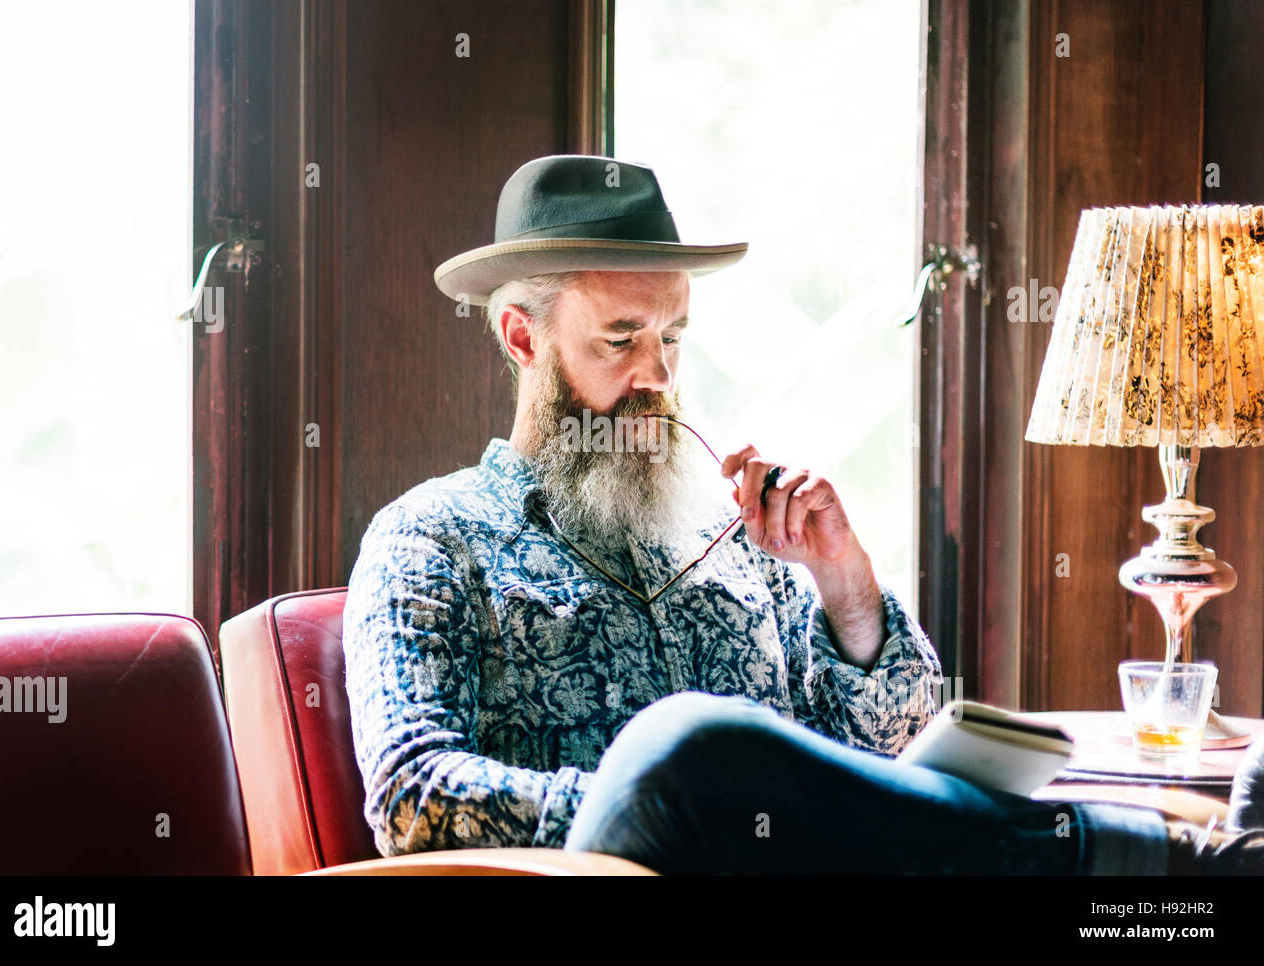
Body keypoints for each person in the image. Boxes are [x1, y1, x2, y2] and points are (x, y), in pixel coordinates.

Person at [341, 154, 1264, 875]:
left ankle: (1172, 882)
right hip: (595, 877)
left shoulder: (735, 538)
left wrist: (844, 587)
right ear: (522, 336)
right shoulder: (432, 538)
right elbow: (416, 797)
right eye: (620, 339)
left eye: (671, 338)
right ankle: (1169, 863)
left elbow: (889, 754)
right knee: (687, 744)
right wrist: (703, 808)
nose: (656, 375)